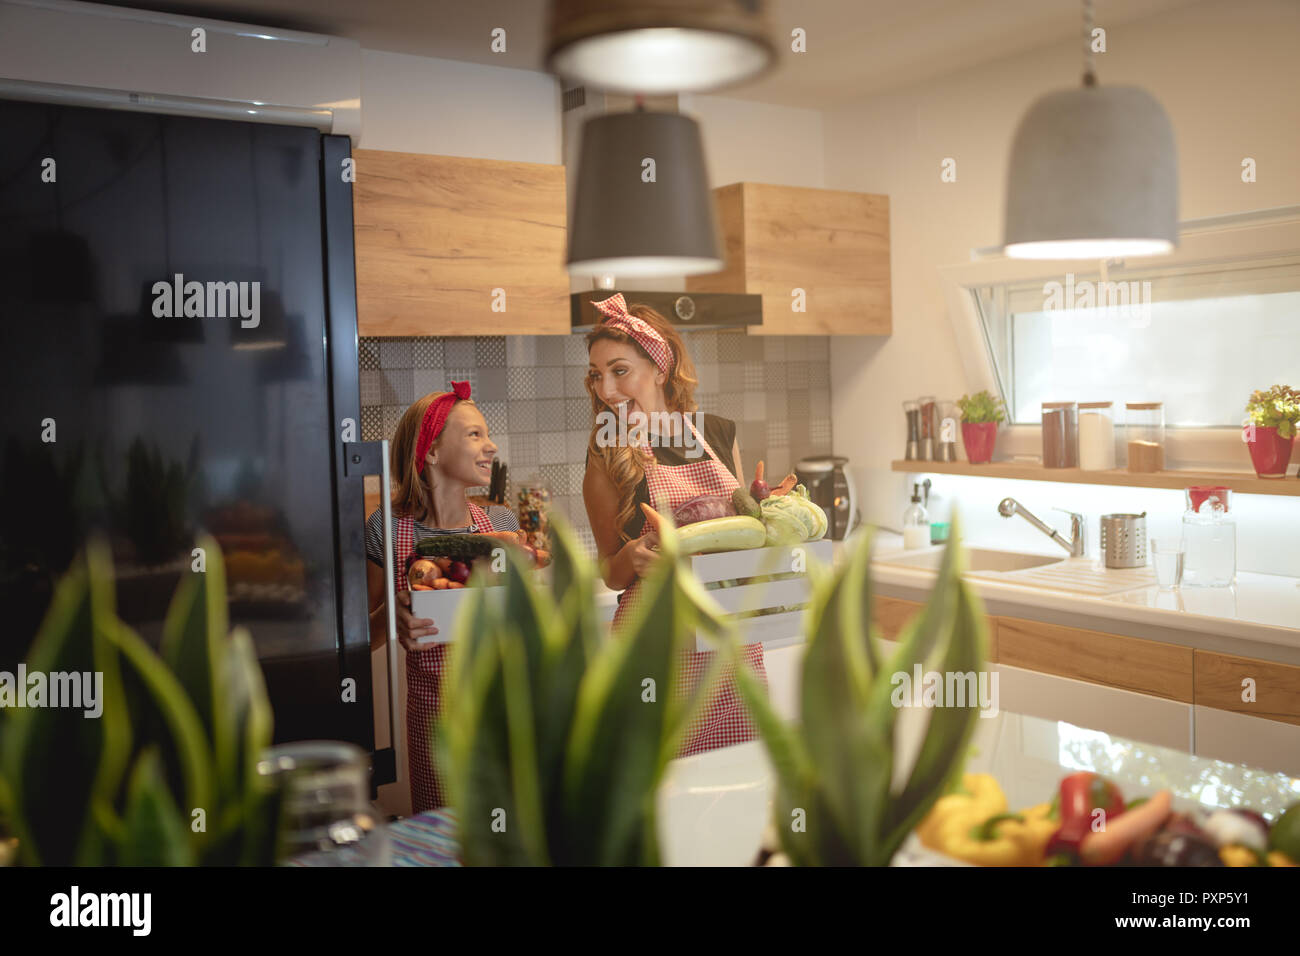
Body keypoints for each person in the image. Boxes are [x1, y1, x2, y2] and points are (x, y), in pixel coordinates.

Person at [581, 293, 768, 757]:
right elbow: (610, 571)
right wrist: (632, 557)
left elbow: (745, 532)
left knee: (741, 782)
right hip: (655, 649)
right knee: (661, 797)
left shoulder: (719, 434)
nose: (606, 389)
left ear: (660, 370)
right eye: (597, 374)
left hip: (731, 641)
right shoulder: (607, 453)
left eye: (619, 370)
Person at [365, 381, 519, 813]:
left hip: (506, 715)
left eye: (487, 435)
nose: (490, 446)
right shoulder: (388, 529)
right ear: (431, 452)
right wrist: (390, 618)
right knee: (445, 839)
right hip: (435, 723)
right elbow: (361, 639)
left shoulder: (501, 524)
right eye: (474, 435)